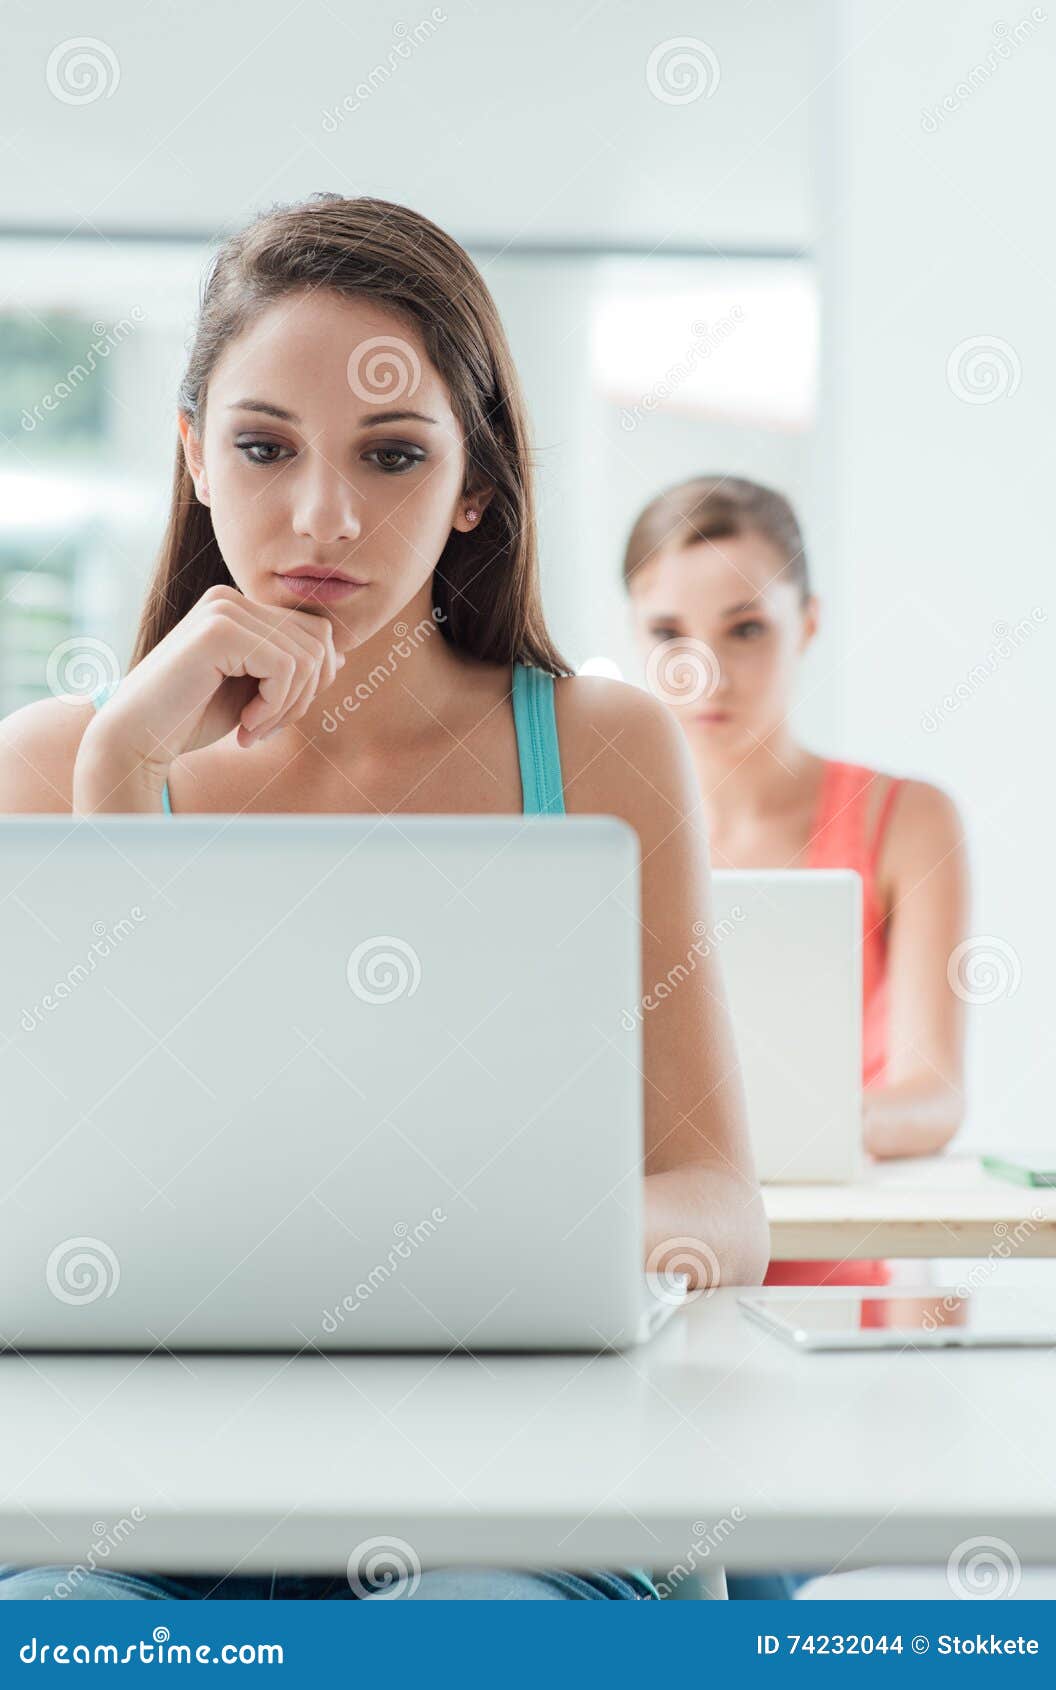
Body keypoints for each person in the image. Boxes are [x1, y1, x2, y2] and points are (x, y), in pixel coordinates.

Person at [0, 196, 768, 1602]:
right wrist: (119, 779)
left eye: (394, 454)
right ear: (194, 454)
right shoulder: (56, 765)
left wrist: (498, 1267)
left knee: (457, 1630)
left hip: (516, 1485)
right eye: (264, 447)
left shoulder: (601, 745)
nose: (324, 517)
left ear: (475, 483)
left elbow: (719, 1198)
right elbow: (60, 1206)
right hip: (156, 1487)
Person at [623, 474, 970, 1294]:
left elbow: (933, 1095)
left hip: (839, 1270)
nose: (705, 674)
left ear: (807, 625)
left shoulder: (909, 821)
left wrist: (757, 1140)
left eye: (746, 629)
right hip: (651, 1270)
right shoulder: (597, 829)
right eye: (668, 632)